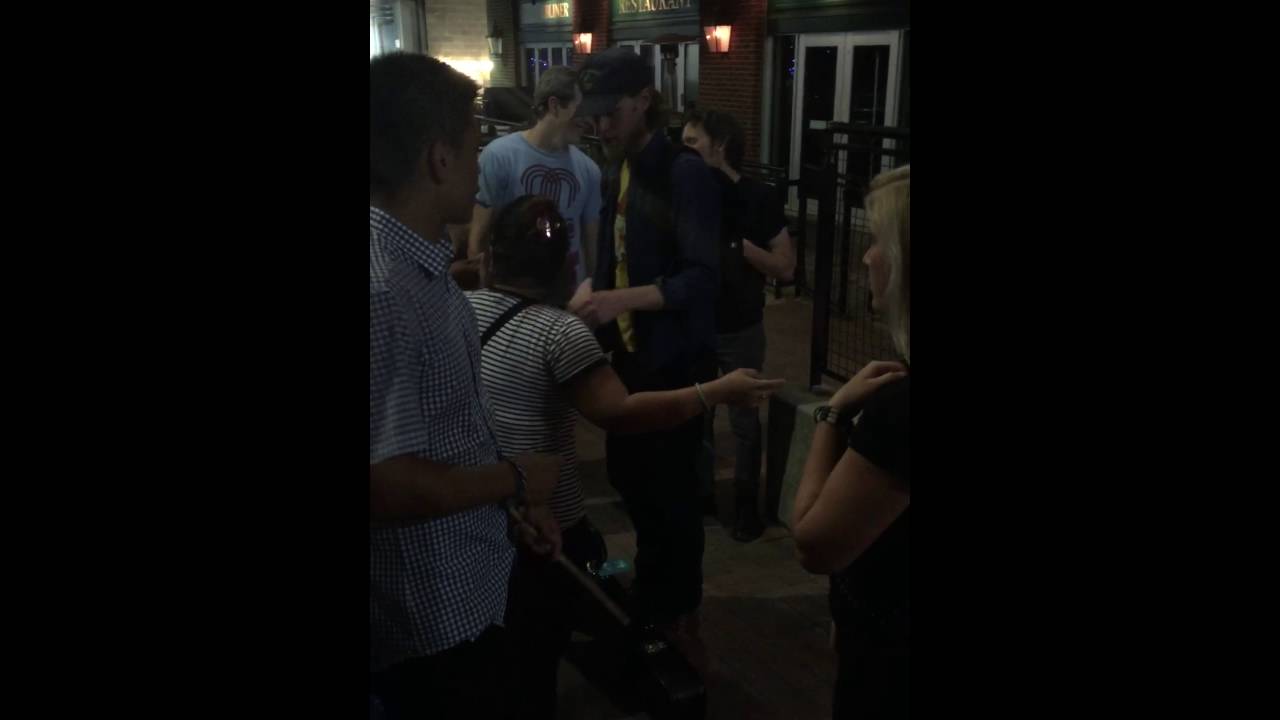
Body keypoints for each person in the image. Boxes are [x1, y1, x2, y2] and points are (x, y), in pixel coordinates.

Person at [466, 195, 783, 719]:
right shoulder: (559, 333)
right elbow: (621, 412)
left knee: (519, 646)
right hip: (552, 529)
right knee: (580, 619)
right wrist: (715, 391)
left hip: (489, 513)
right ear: (568, 266)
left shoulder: (464, 308)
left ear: (491, 260)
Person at [368, 52, 562, 720]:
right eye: (474, 147)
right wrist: (516, 480)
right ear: (439, 159)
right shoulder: (386, 288)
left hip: (469, 579)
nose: (482, 167)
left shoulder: (423, 269)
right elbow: (385, 482)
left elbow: (443, 432)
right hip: (432, 617)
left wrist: (507, 510)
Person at [569, 47, 722, 671]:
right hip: (628, 358)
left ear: (644, 101)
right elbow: (614, 250)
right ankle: (654, 602)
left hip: (672, 362)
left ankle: (679, 618)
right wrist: (592, 291)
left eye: (612, 113)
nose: (601, 127)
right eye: (594, 116)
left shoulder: (684, 173)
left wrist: (616, 299)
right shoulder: (617, 168)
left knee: (674, 500)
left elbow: (703, 277)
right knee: (633, 482)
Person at [790, 165, 911, 719]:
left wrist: (833, 416)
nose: (865, 258)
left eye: (877, 242)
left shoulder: (901, 411)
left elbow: (814, 542)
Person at [682, 109, 796, 542]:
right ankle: (703, 495)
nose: (686, 150)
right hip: (696, 323)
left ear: (721, 145)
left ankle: (747, 504)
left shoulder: (757, 197)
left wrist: (740, 248)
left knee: (745, 421)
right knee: (699, 415)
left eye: (694, 142)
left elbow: (786, 267)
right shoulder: (687, 192)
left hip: (741, 325)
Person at [468, 66, 601, 297]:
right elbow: (478, 239)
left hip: (567, 300)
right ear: (555, 105)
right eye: (581, 110)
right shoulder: (499, 156)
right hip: (512, 298)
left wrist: (590, 294)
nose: (588, 121)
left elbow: (591, 247)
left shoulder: (589, 170)